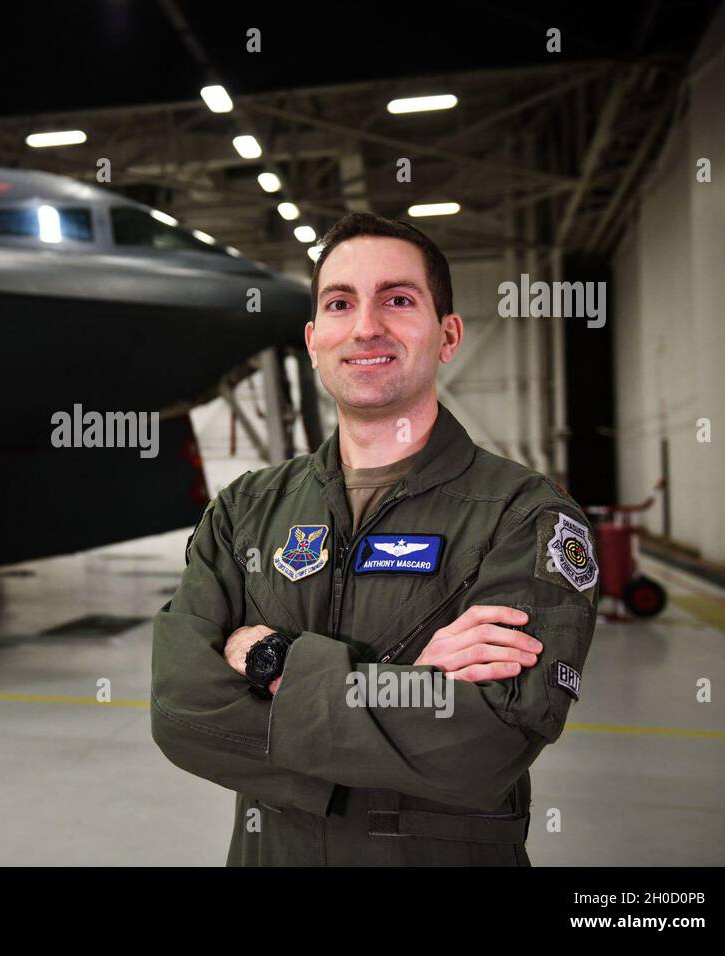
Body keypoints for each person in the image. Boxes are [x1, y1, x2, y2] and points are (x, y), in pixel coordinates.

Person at [150, 212, 599, 865]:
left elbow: (487, 742)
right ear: (314, 340)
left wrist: (274, 661)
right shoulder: (245, 510)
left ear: (448, 335)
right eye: (340, 303)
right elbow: (181, 711)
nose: (366, 327)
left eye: (398, 299)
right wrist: (406, 688)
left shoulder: (524, 518)